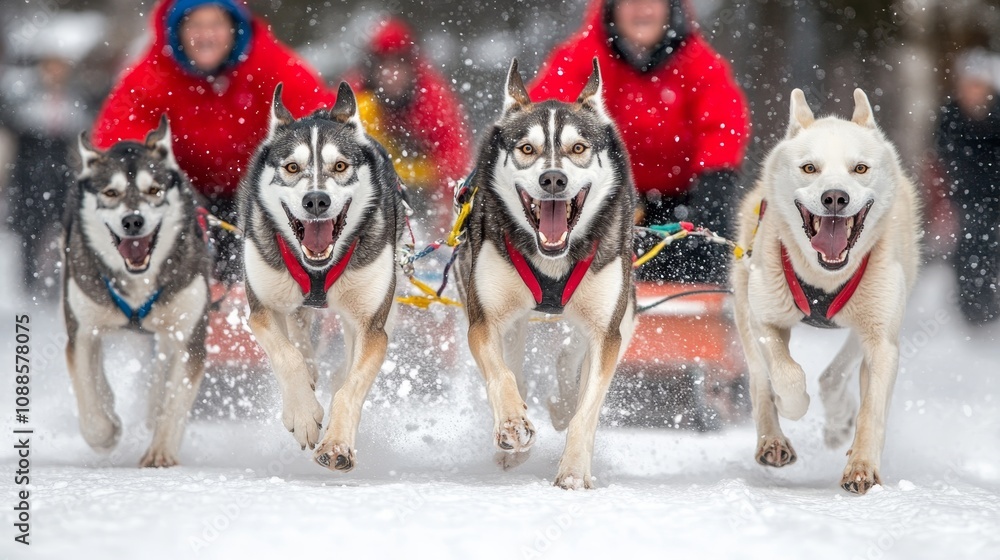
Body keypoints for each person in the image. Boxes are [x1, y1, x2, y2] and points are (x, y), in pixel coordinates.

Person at [92, 0, 336, 280]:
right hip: (189, 198)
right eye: (195, 25)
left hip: (261, 191)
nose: (206, 35)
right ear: (177, 31)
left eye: (216, 25)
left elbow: (316, 117)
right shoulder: (153, 73)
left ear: (234, 29)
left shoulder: (268, 62)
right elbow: (120, 134)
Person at [529, 0, 750, 283]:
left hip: (679, 203)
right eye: (631, 2)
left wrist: (714, 188)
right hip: (597, 199)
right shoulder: (579, 57)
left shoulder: (699, 61)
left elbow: (723, 125)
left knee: (693, 265)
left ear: (671, 9)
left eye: (652, 2)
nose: (642, 10)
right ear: (612, 10)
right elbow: (542, 115)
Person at [341, 17, 471, 225]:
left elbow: (454, 159)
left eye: (398, 65)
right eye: (384, 66)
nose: (391, 75)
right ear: (371, 69)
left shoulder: (432, 98)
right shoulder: (355, 96)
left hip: (422, 193)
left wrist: (445, 214)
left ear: (412, 67)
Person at [3, 54, 92, 298]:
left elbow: (80, 130)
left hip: (61, 175)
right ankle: (28, 284)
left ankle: (53, 281)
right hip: (28, 175)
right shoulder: (22, 95)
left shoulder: (76, 96)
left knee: (60, 230)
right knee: (29, 232)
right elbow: (13, 126)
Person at [935, 49, 1000, 325]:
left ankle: (989, 305)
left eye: (978, 84)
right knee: (967, 247)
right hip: (964, 196)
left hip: (994, 197)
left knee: (991, 248)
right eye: (969, 84)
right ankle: (970, 308)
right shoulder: (950, 116)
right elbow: (941, 157)